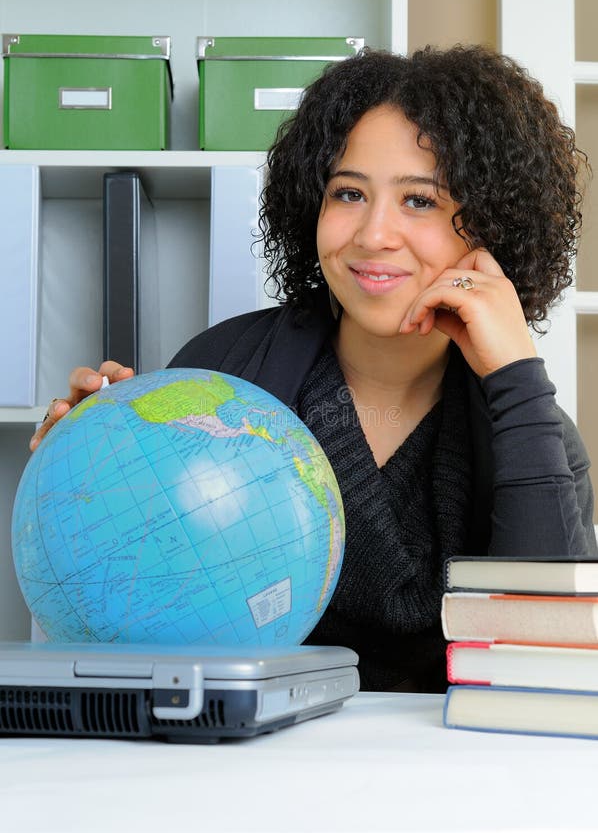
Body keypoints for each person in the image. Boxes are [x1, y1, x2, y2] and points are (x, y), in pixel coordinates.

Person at [31, 45, 598, 693]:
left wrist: (517, 375)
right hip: (238, 741)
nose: (373, 234)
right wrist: (84, 475)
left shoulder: (533, 428)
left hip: (452, 750)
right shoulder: (222, 372)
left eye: (420, 200)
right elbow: (137, 615)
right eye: (348, 193)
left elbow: (548, 662)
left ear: (491, 228)